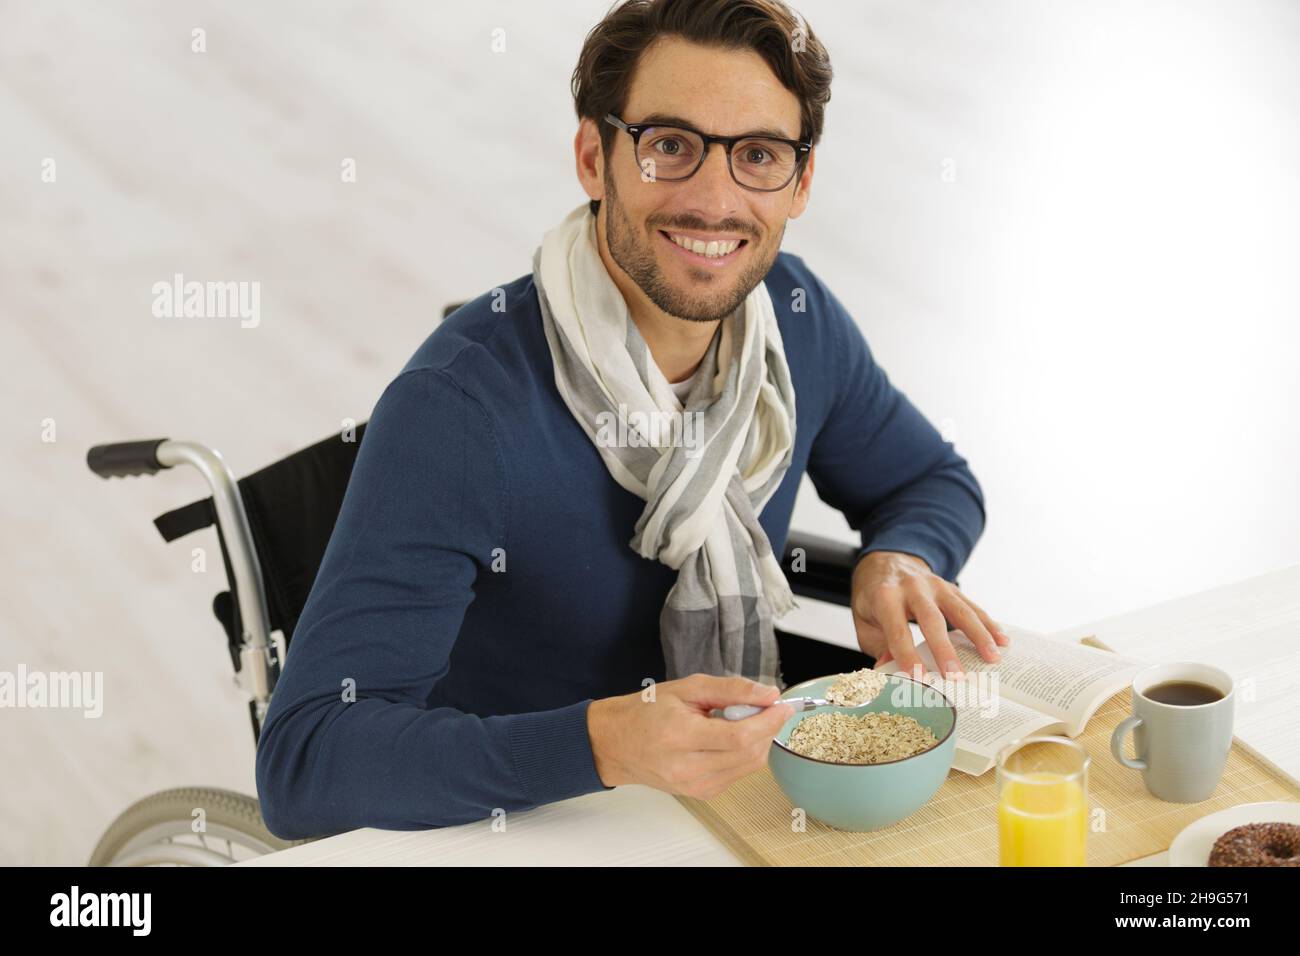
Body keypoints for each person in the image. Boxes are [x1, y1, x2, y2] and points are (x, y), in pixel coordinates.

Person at [256, 0, 1009, 840]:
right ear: (594, 157)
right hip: (522, 827)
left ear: (799, 184)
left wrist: (898, 558)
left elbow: (928, 480)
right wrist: (600, 743)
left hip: (732, 803)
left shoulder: (797, 319)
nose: (714, 200)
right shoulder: (459, 410)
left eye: (757, 155)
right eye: (670, 146)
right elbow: (306, 761)